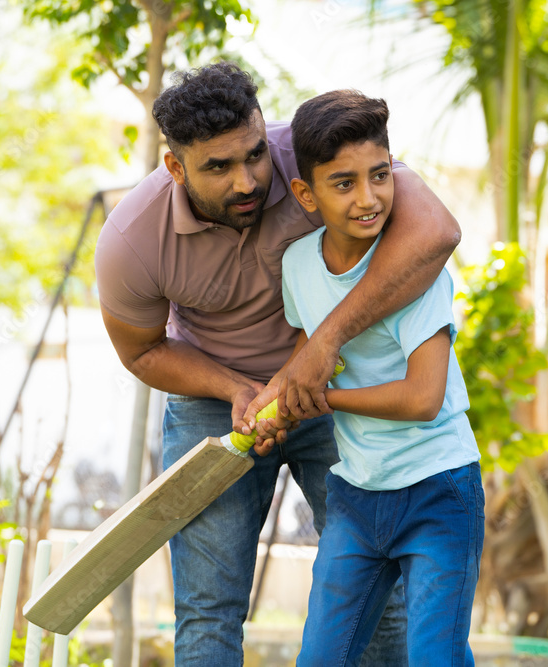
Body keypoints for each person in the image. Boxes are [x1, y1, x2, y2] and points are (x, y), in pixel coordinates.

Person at [95, 62, 461, 665]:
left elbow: (436, 231)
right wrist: (241, 390)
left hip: (334, 392)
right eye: (218, 167)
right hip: (215, 406)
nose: (248, 180)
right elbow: (143, 350)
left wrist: (322, 347)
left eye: (254, 154)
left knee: (379, 590)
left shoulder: (315, 155)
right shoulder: (132, 241)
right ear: (176, 167)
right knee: (209, 607)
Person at [278, 89, 485, 667]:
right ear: (306, 194)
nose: (368, 199)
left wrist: (323, 399)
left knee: (435, 659)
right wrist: (277, 398)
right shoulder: (298, 264)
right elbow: (306, 349)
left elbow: (424, 398)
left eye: (380, 175)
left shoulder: (416, 273)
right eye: (344, 183)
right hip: (356, 496)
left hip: (439, 491)